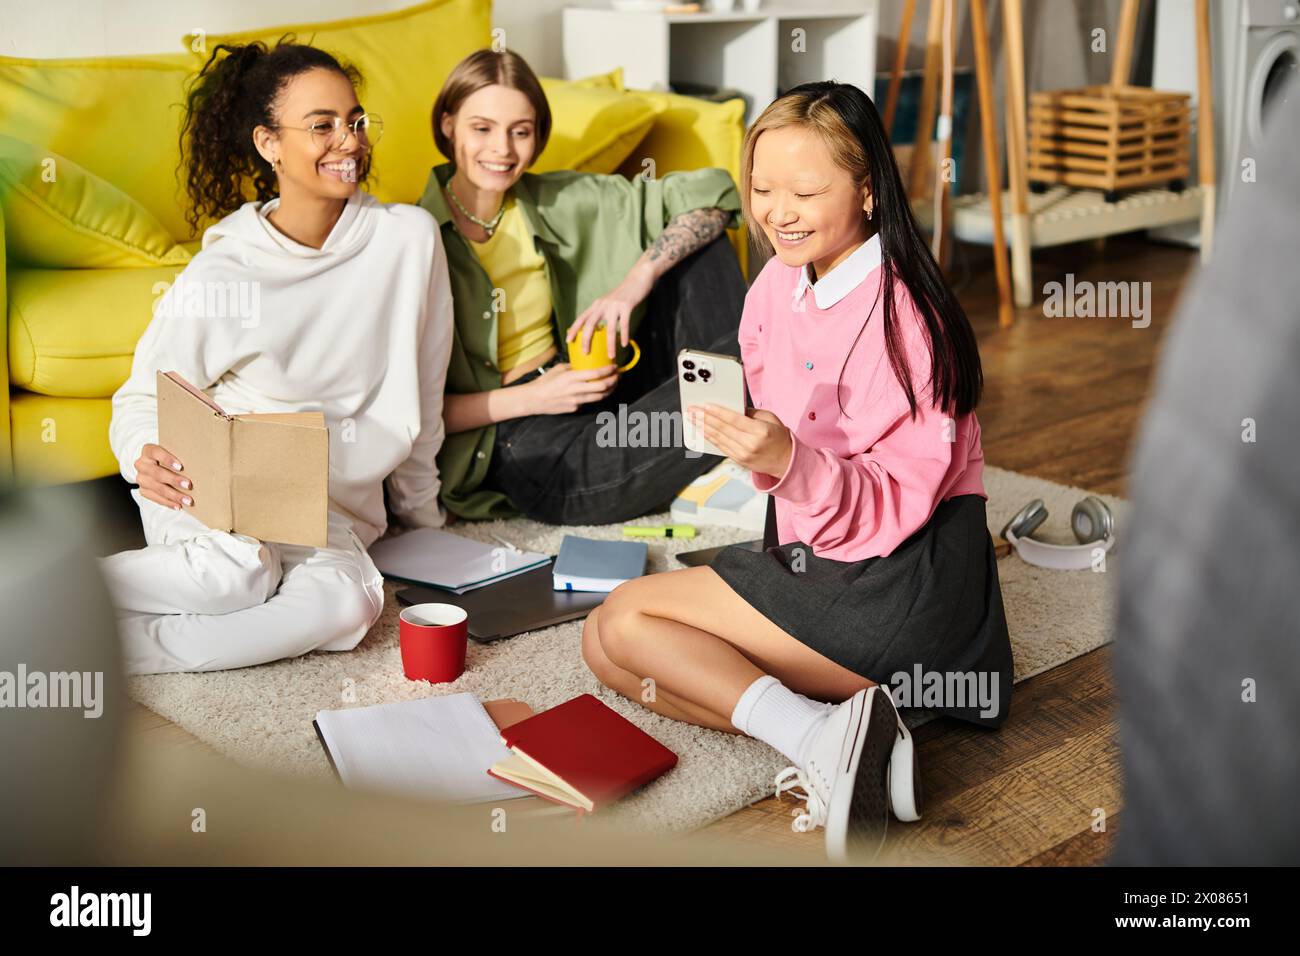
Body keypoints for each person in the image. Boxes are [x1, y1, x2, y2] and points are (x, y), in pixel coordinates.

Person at [581, 81, 1014, 862]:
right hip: (826, 560)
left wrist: (789, 461)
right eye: (762, 188)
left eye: (806, 191)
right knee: (610, 657)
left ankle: (829, 732)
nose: (778, 211)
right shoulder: (780, 281)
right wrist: (769, 450)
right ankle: (838, 735)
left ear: (870, 191)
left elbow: (894, 505)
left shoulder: (907, 318)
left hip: (899, 583)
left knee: (625, 623)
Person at [102, 38, 453, 674]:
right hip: (214, 476)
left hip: (322, 507)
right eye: (322, 126)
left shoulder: (408, 241)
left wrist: (423, 517)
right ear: (269, 144)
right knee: (236, 575)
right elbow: (140, 395)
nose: (348, 141)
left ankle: (114, 649)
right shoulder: (225, 269)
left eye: (354, 121)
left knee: (348, 606)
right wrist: (140, 452)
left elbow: (422, 392)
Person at [419, 48, 748, 524]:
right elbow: (403, 412)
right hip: (520, 434)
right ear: (449, 126)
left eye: (521, 131)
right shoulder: (412, 234)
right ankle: (736, 413)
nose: (503, 150)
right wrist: (534, 398)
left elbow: (713, 194)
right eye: (482, 128)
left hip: (601, 386)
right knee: (732, 388)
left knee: (693, 245)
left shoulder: (559, 198)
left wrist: (636, 281)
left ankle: (731, 408)